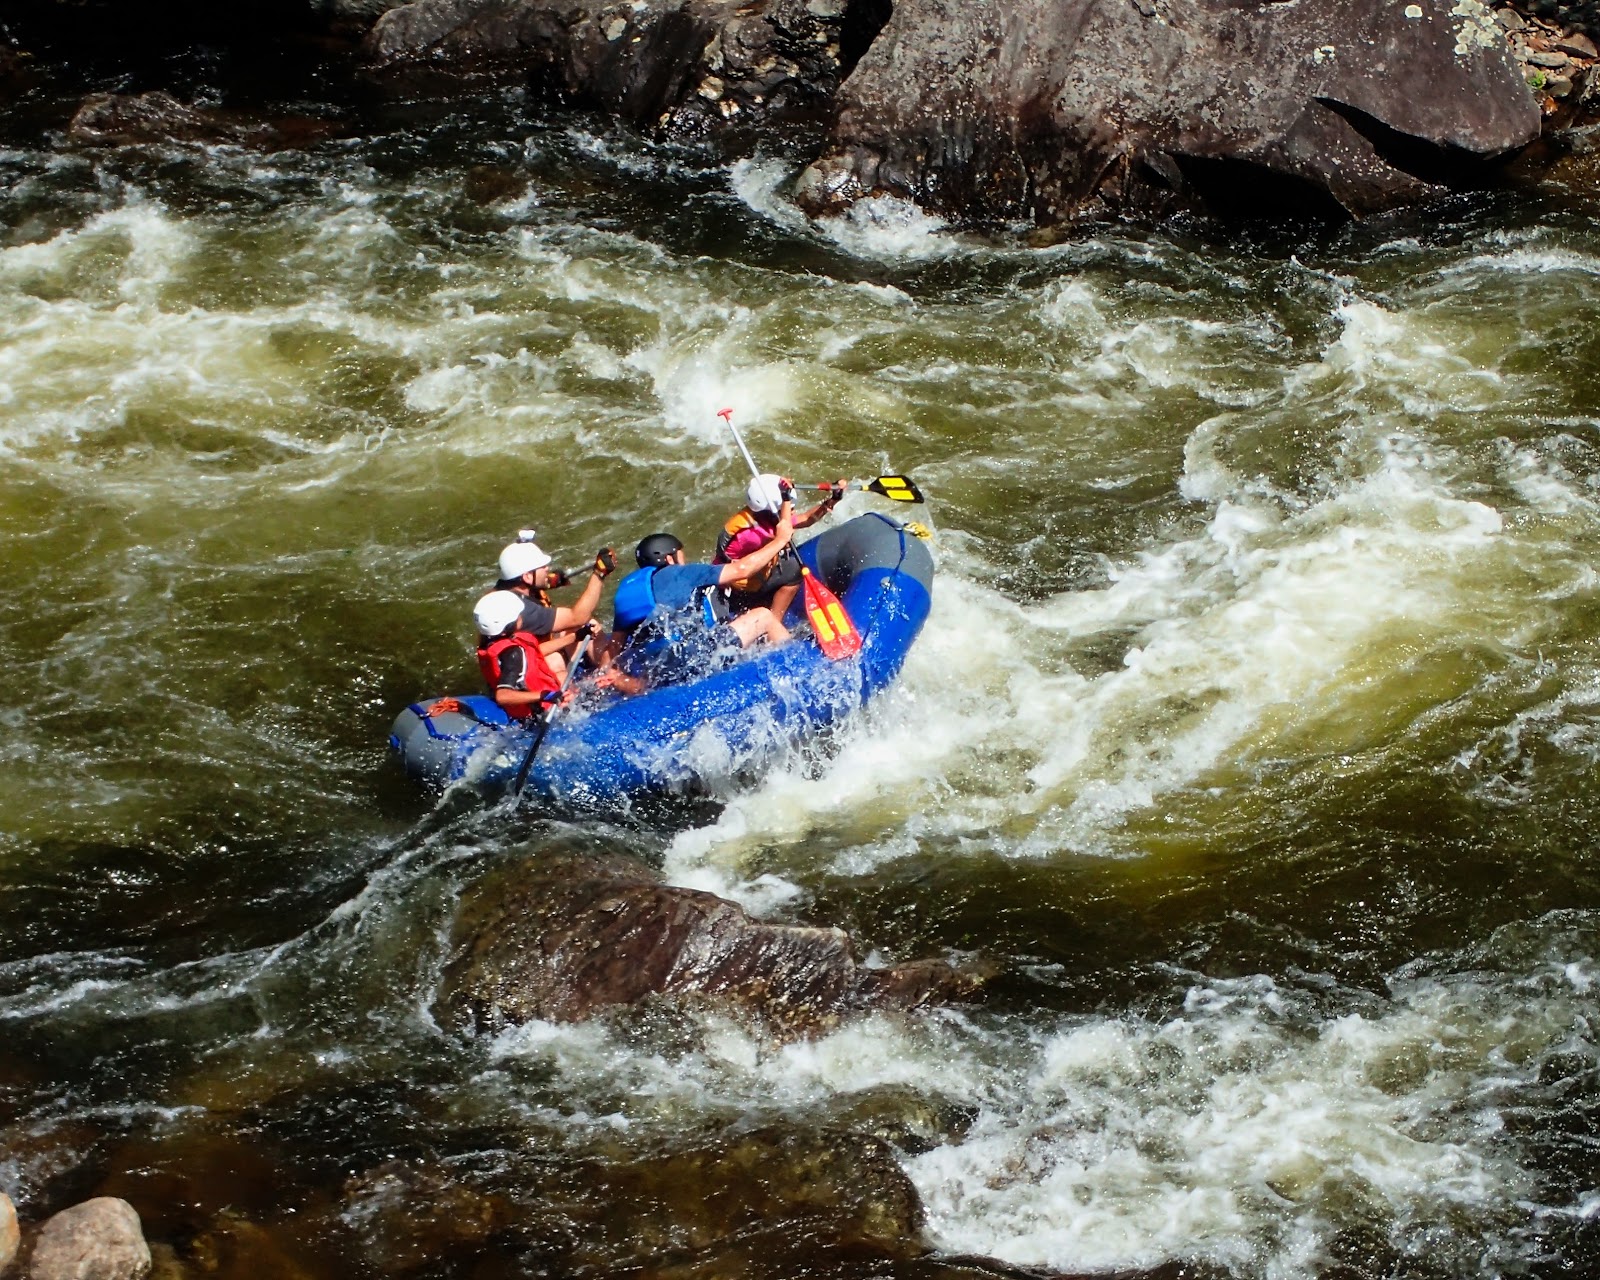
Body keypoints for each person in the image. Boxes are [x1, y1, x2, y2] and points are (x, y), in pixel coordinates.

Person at [593, 517, 794, 695]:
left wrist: (614, 675)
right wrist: (780, 540)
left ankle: (636, 686)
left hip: (661, 670)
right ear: (669, 558)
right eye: (680, 555)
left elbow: (613, 648)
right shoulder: (682, 573)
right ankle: (795, 662)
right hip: (696, 658)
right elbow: (742, 569)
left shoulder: (628, 593)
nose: (684, 560)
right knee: (763, 616)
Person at [713, 473, 846, 623]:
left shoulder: (763, 518)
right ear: (771, 511)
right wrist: (786, 500)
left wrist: (832, 500)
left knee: (791, 566)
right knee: (794, 572)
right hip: (740, 586)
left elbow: (806, 519)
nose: (792, 511)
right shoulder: (752, 534)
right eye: (788, 508)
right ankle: (773, 622)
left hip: (753, 573)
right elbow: (785, 532)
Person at [495, 530, 616, 677]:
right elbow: (578, 617)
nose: (547, 568)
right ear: (527, 577)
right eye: (542, 567)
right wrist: (600, 573)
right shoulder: (526, 611)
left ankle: (605, 669)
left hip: (524, 651)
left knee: (588, 625)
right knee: (556, 657)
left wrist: (544, 582)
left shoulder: (501, 592)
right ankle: (607, 677)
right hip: (525, 664)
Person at [473, 589, 564, 721]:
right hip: (536, 712)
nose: (521, 615)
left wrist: (575, 637)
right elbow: (502, 696)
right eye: (517, 615)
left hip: (526, 701)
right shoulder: (513, 653)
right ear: (507, 625)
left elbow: (534, 653)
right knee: (571, 684)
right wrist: (544, 695)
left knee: (558, 667)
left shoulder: (489, 640)